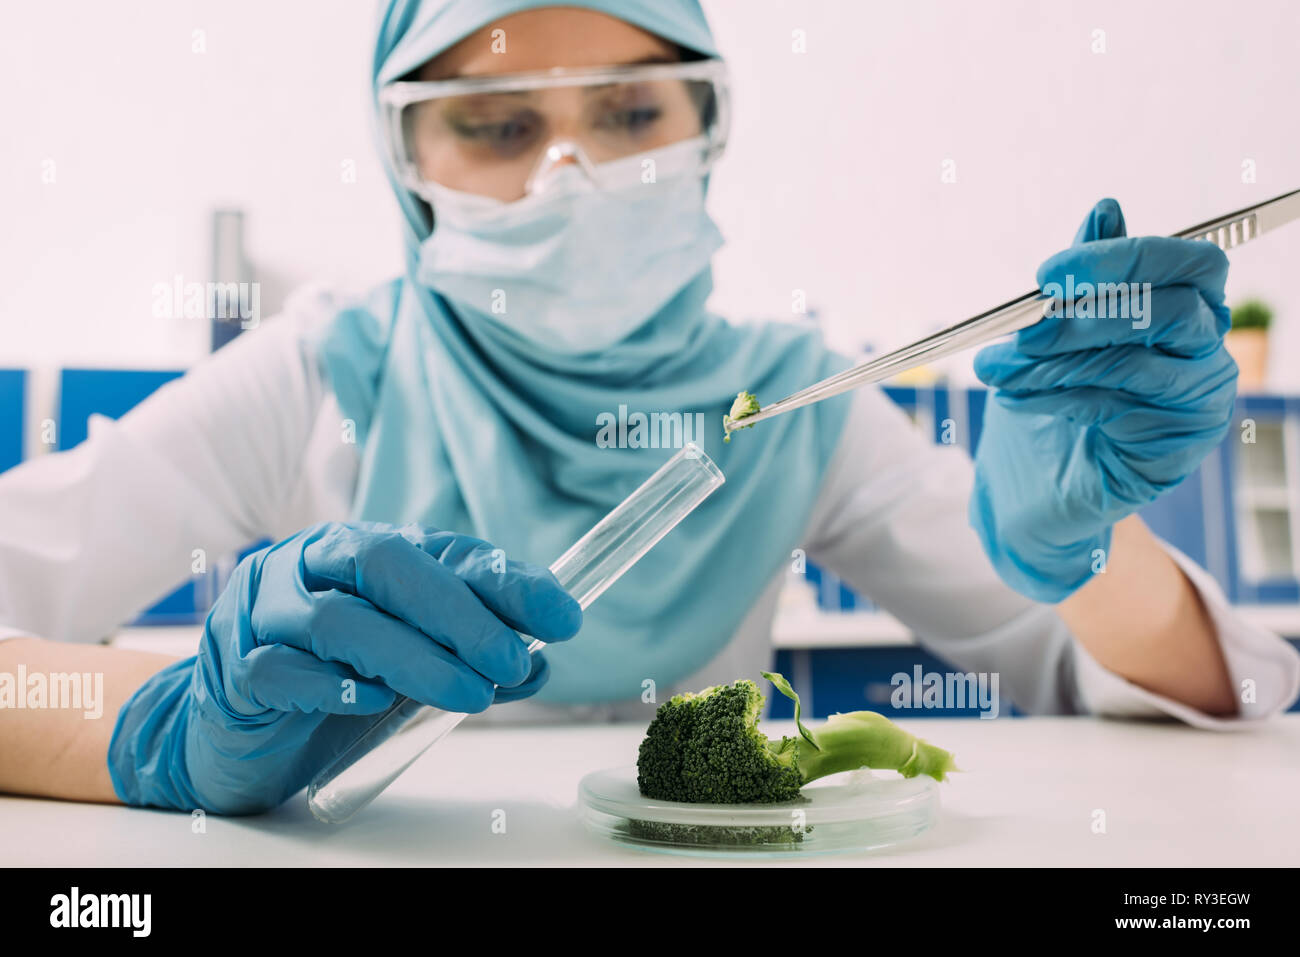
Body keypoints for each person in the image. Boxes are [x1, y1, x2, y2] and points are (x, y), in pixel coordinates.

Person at [1, 0, 1296, 815]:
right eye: (496, 125)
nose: (573, 175)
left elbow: (1146, 684)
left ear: (707, 125)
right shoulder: (323, 374)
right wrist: (158, 727)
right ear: (410, 167)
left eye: (629, 113)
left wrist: (1079, 547)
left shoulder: (792, 399)